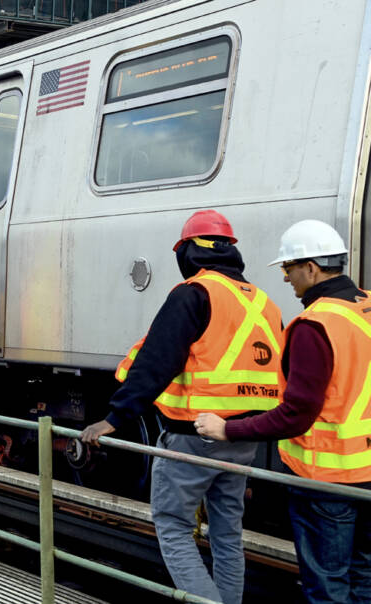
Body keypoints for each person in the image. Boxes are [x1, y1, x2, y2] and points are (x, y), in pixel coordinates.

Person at [81, 209, 282, 604]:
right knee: (227, 533)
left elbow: (156, 362)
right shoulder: (263, 302)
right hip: (243, 438)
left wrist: (114, 419)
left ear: (189, 251)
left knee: (172, 525)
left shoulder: (193, 293)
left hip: (195, 438)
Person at [195, 219, 371, 603]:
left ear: (311, 268)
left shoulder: (316, 325)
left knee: (327, 587)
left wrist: (228, 430)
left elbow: (296, 415)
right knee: (365, 578)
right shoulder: (367, 308)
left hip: (328, 480)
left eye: (289, 269)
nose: (287, 279)